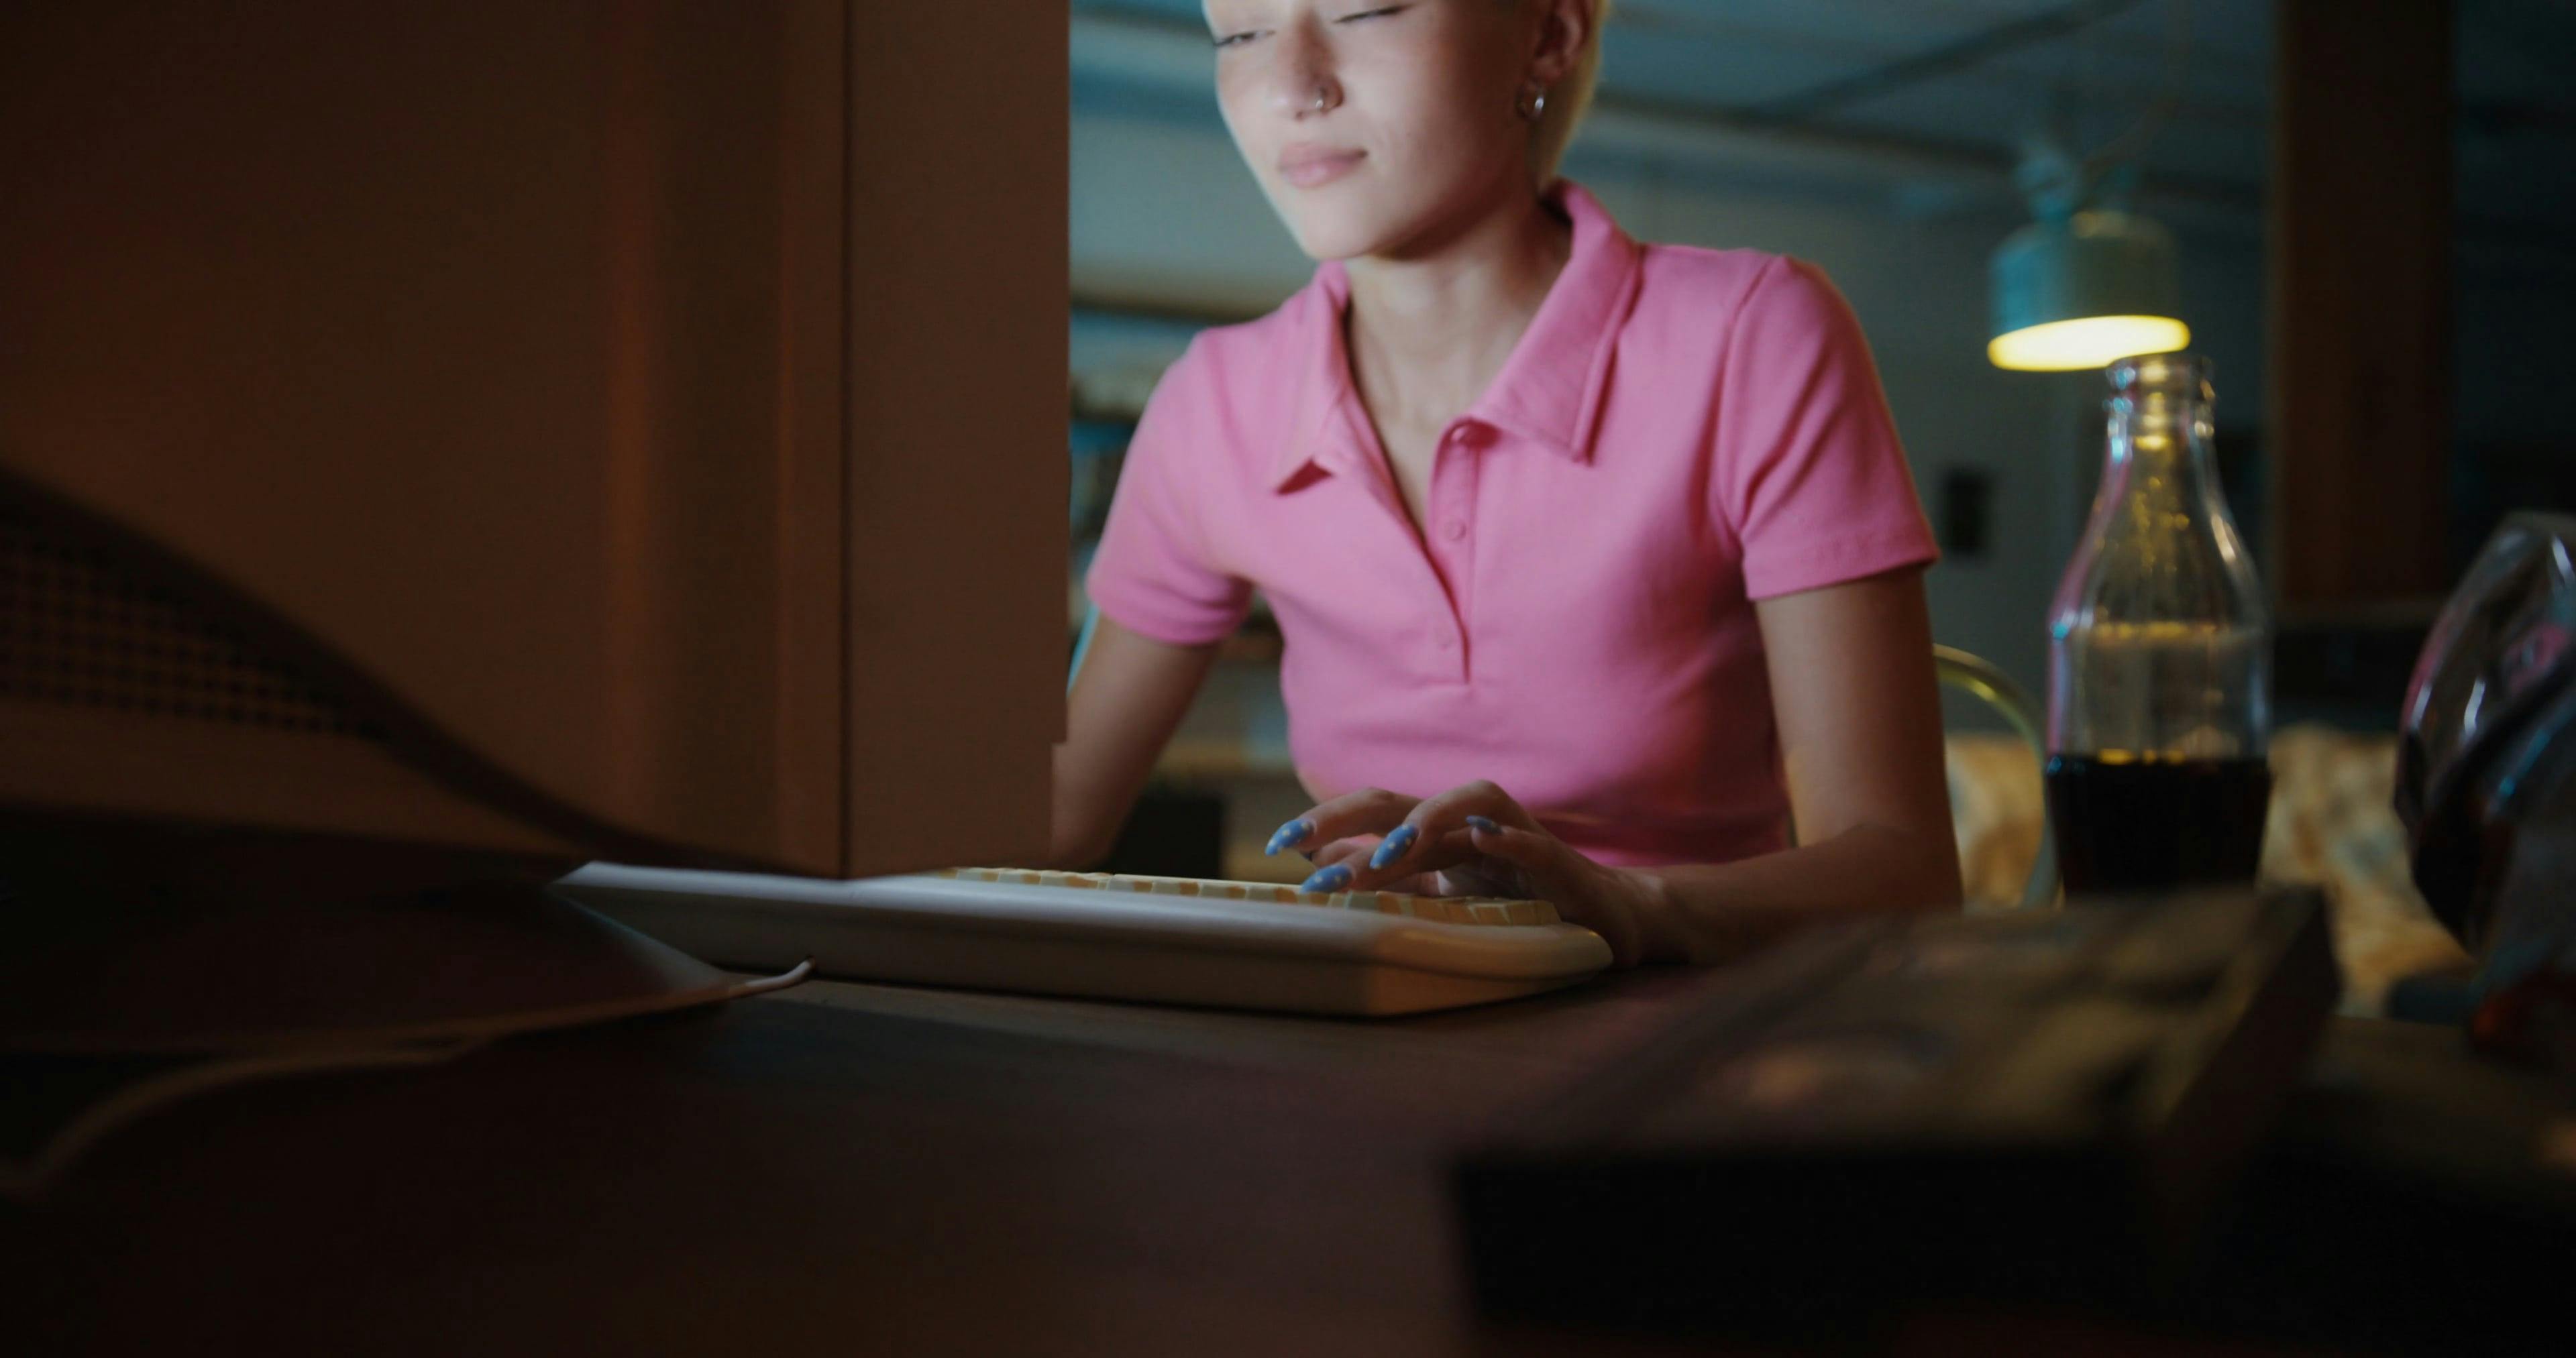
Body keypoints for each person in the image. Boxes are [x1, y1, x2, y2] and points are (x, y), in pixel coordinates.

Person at [1054, 0, 1962, 964]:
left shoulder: (1752, 334)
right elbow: (1057, 815)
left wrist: (1621, 906)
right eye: (1238, 34)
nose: (1291, 85)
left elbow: (1900, 872)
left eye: (1365, 9)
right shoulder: (1214, 403)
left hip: (1684, 1046)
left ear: (1547, 34)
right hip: (1369, 1040)